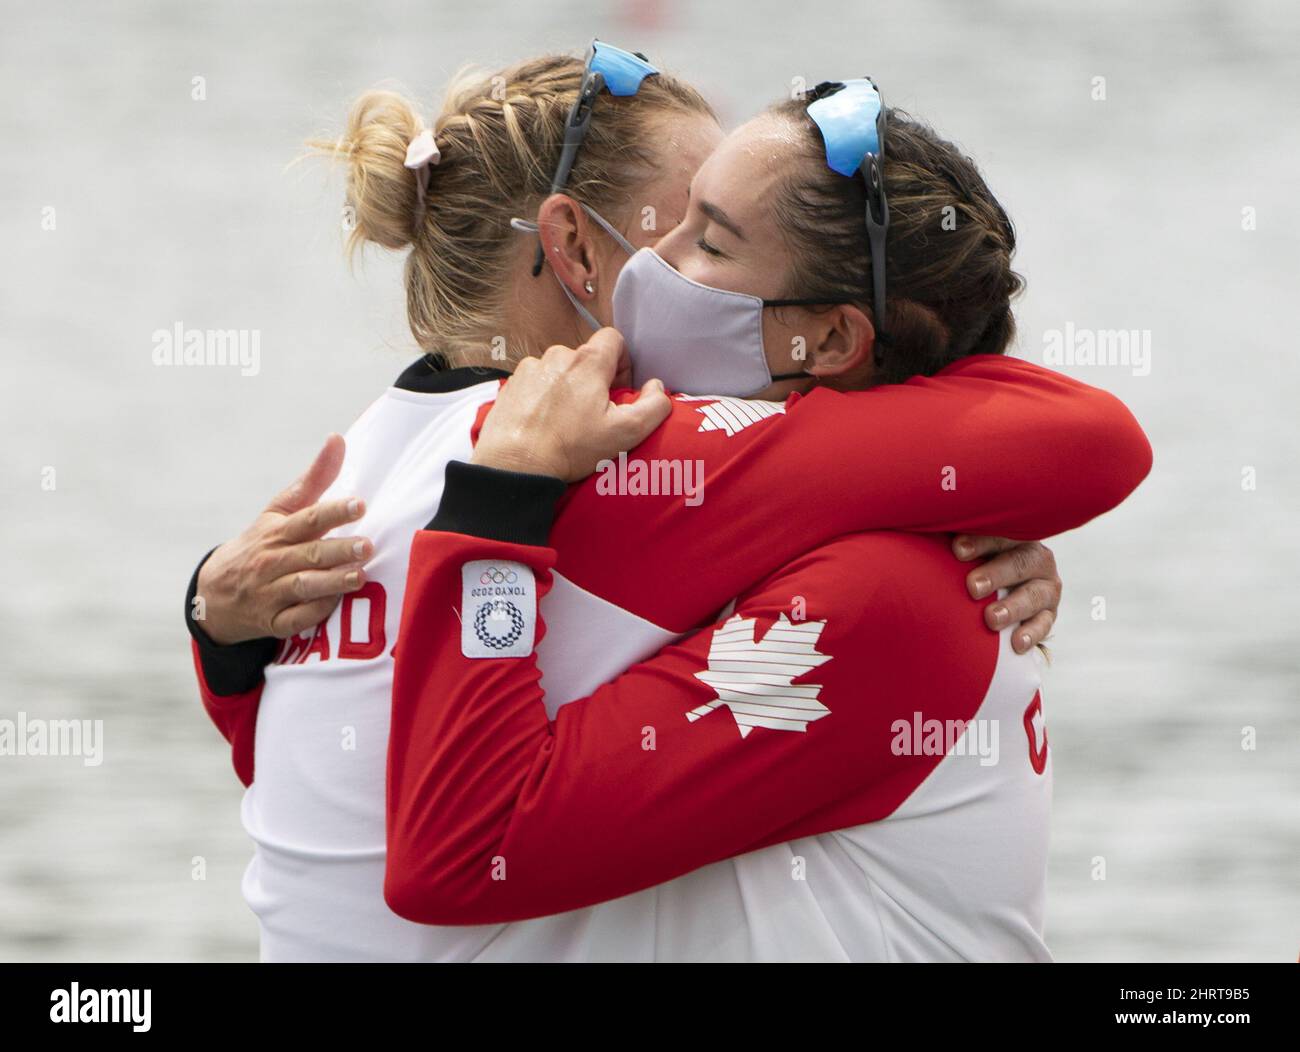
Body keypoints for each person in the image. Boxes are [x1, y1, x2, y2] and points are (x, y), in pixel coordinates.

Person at [186, 51, 1129, 961]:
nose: (668, 269)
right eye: (675, 224)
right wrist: (498, 508)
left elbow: (313, 793)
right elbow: (1087, 441)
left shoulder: (349, 468)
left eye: (710, 241)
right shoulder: (627, 463)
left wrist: (221, 641)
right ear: (576, 249)